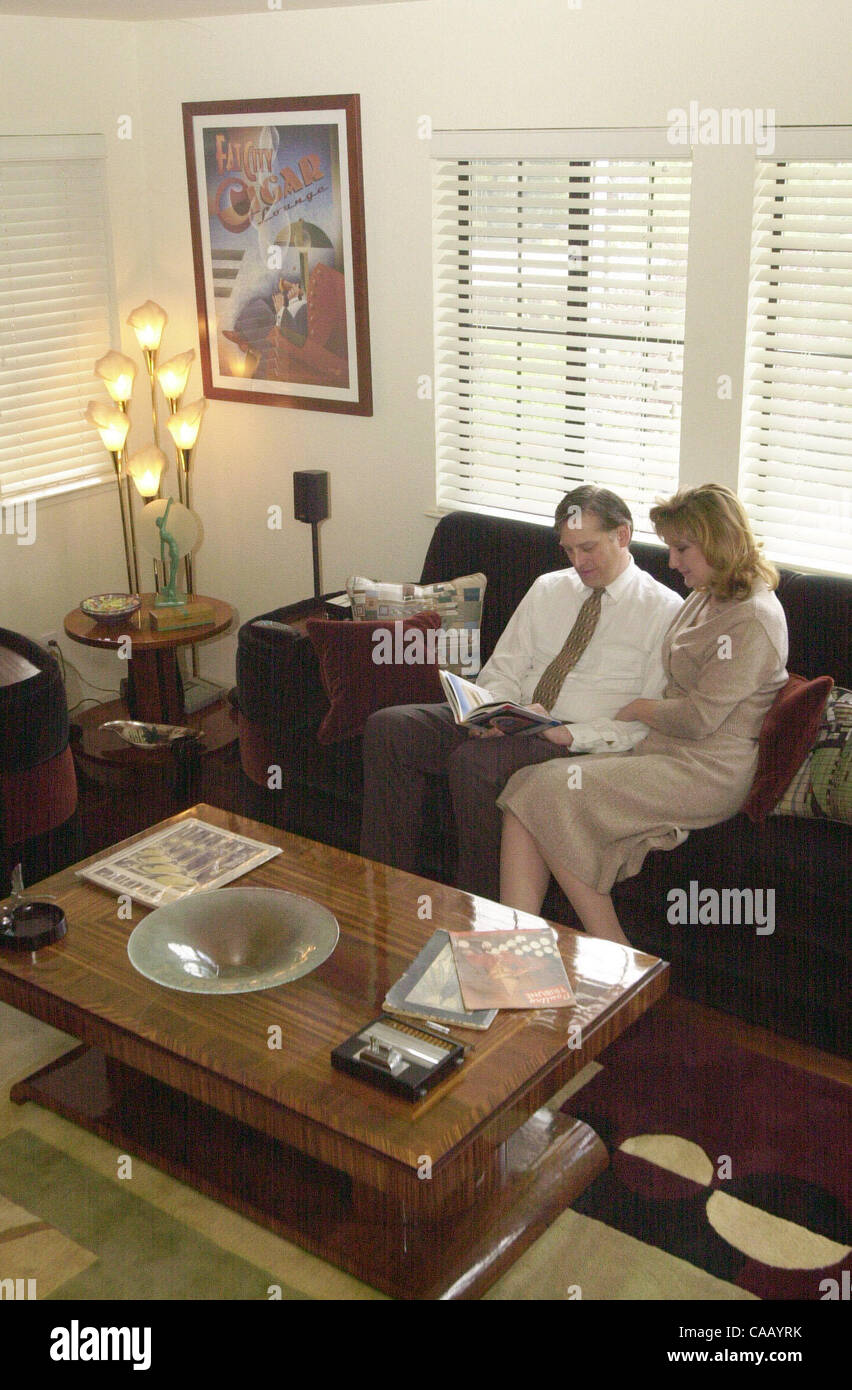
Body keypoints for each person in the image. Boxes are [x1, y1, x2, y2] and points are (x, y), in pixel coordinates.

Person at [498, 483, 789, 945]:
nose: (672, 562)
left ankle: (617, 955)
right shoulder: (706, 594)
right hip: (661, 750)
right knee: (525, 791)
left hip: (706, 770)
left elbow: (699, 719)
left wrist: (639, 708)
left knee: (549, 791)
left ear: (718, 540)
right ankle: (513, 947)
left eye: (682, 548)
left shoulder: (752, 620)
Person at [360, 485, 684, 899]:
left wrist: (572, 734)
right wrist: (492, 711)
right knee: (391, 728)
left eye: (587, 548)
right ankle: (385, 893)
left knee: (474, 763)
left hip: (574, 739)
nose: (577, 562)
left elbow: (645, 722)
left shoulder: (665, 610)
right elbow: (505, 666)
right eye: (568, 550)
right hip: (513, 717)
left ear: (622, 535)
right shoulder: (549, 587)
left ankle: (479, 909)